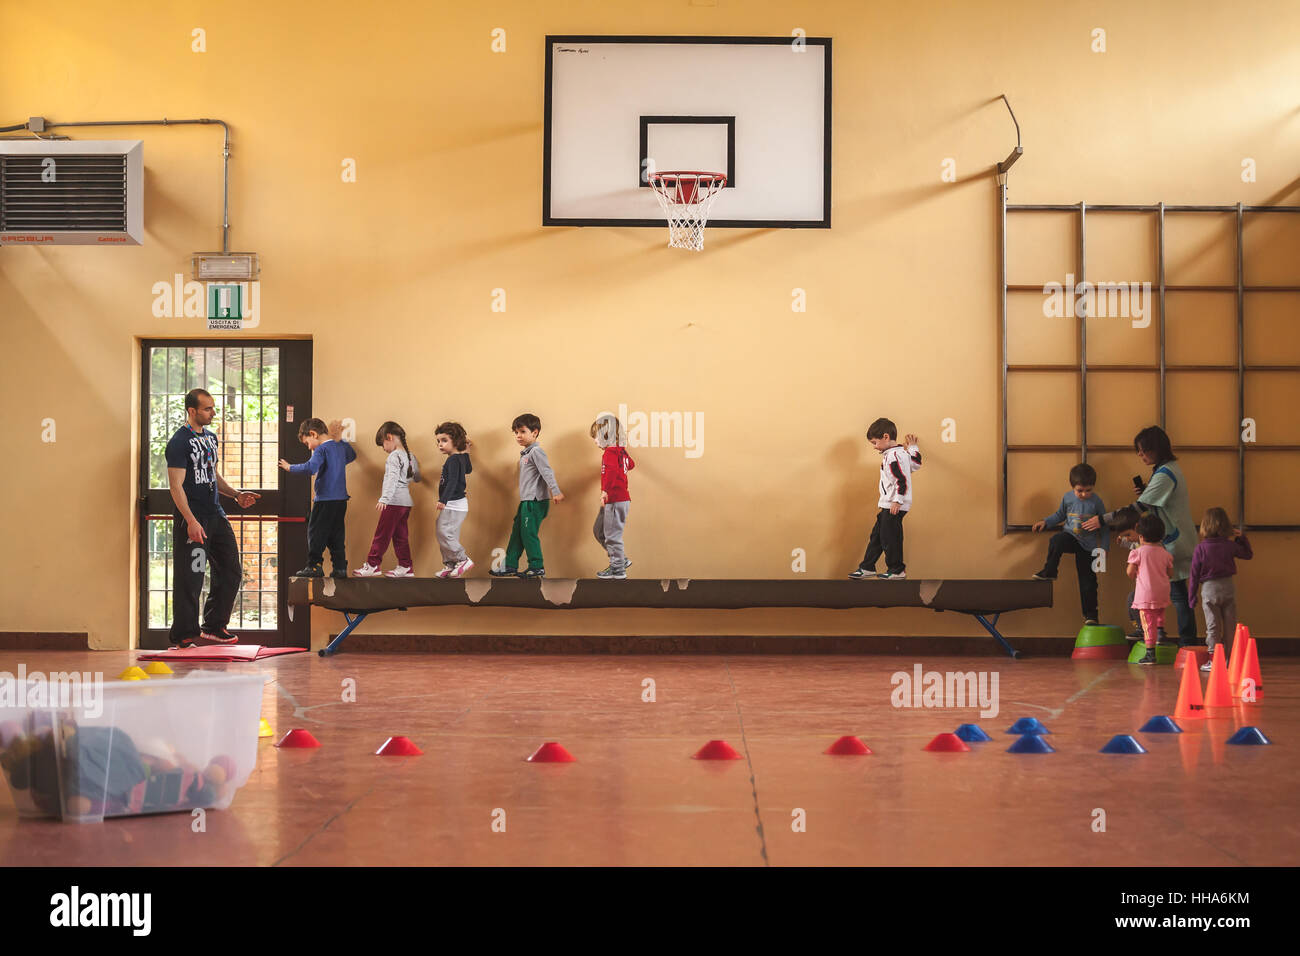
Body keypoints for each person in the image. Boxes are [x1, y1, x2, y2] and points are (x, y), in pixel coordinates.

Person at [1085, 425, 1200, 645]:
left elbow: (1136, 509)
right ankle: (1175, 638)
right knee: (1173, 595)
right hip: (1175, 541)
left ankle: (1180, 640)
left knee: (1169, 595)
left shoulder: (1165, 474)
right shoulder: (1166, 470)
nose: (1140, 455)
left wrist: (1102, 520)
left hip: (1174, 543)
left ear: (1156, 449)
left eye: (1143, 450)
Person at [165, 388, 260, 647]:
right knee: (191, 577)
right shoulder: (179, 442)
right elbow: (176, 486)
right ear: (192, 411)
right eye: (207, 409)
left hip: (216, 515)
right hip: (193, 520)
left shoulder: (210, 438)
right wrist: (191, 521)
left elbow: (211, 475)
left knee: (231, 571)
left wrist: (235, 495)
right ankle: (184, 635)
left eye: (213, 407)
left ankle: (214, 626)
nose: (213, 413)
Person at [278, 417, 356, 578]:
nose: (309, 447)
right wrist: (340, 439)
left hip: (325, 500)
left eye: (307, 443)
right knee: (336, 534)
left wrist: (289, 467)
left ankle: (314, 566)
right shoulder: (340, 447)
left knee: (316, 533)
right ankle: (340, 568)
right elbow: (351, 456)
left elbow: (311, 468)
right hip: (341, 500)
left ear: (313, 434)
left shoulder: (321, 449)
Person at [1031, 463, 1108, 626]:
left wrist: (1104, 549)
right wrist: (1045, 522)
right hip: (1071, 537)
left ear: (1093, 488)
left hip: (1090, 546)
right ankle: (1050, 570)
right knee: (1056, 540)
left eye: (1088, 490)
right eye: (1080, 490)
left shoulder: (1097, 502)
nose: (1084, 494)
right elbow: (1060, 514)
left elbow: (1104, 526)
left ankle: (1091, 615)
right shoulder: (1067, 497)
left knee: (1088, 581)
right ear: (1073, 487)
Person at [490, 413, 564, 578]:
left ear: (535, 432)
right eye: (516, 432)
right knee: (517, 532)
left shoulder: (536, 452)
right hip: (526, 501)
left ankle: (537, 566)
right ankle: (510, 565)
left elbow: (547, 472)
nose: (518, 436)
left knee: (528, 533)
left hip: (535, 502)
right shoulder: (525, 455)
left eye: (522, 431)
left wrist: (556, 491)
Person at [848, 419, 921, 580]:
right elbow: (916, 464)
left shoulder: (893, 456)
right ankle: (867, 566)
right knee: (877, 536)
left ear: (886, 437)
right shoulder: (901, 453)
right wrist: (913, 448)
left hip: (894, 504)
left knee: (890, 537)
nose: (874, 446)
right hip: (890, 504)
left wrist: (897, 500)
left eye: (874, 442)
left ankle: (897, 570)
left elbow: (901, 480)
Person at [1188, 507, 1253, 672]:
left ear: (1205, 525)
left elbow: (1194, 575)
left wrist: (1192, 596)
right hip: (1228, 587)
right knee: (1230, 625)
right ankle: (1230, 660)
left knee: (1213, 626)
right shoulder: (1229, 545)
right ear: (1226, 526)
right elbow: (1247, 554)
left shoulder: (1201, 548)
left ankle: (1214, 660)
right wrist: (1242, 538)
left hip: (1209, 589)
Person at [355, 421, 421, 577]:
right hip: (406, 503)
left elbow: (391, 479)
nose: (383, 449)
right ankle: (406, 566)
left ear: (389, 437)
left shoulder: (394, 456)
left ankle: (372, 565)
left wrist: (384, 498)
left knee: (382, 534)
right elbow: (416, 477)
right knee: (400, 536)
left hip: (393, 502)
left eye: (382, 444)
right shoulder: (410, 456)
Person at [590, 414, 636, 579]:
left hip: (614, 499)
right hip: (619, 499)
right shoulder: (620, 452)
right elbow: (631, 464)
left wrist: (605, 491)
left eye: (596, 437)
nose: (594, 440)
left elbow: (610, 472)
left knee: (612, 536)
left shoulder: (610, 453)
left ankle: (618, 569)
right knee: (599, 531)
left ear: (606, 435)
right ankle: (621, 560)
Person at [1128, 513, 1173, 666]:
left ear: (1140, 536)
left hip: (1146, 594)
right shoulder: (1166, 554)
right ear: (1161, 536)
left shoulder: (1138, 552)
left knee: (1147, 623)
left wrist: (1136, 574)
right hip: (1163, 591)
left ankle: (1150, 654)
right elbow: (1170, 573)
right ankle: (1161, 633)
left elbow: (1130, 572)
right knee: (1160, 612)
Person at [433, 421, 474, 578]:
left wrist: (443, 500)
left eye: (444, 440)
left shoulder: (453, 460)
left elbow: (452, 482)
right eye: (438, 441)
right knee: (448, 533)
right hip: (457, 504)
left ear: (455, 441)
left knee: (443, 531)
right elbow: (469, 470)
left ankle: (462, 559)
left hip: (454, 503)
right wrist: (467, 452)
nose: (440, 445)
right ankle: (451, 564)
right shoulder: (459, 458)